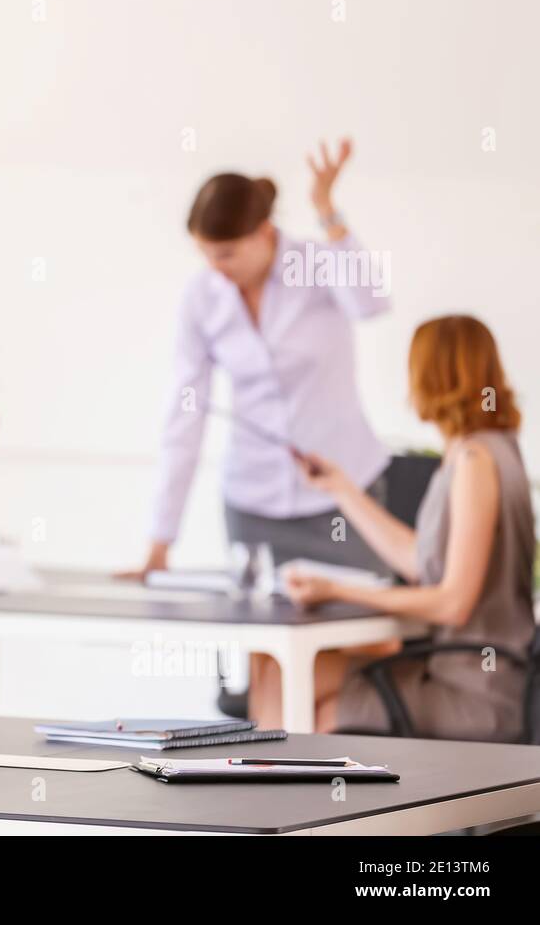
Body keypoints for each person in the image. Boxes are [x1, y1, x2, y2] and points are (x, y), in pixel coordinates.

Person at [255, 315, 535, 741]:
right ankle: (278, 794)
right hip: (455, 668)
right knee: (279, 671)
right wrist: (341, 489)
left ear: (431, 376)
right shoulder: (487, 448)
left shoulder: (475, 461)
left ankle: (278, 796)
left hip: (476, 689)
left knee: (303, 693)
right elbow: (422, 561)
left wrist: (338, 590)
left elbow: (452, 603)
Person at [121, 139, 392, 578]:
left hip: (343, 497)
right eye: (205, 255)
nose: (216, 268)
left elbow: (372, 303)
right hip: (253, 501)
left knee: (358, 637)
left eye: (226, 253)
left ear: (265, 232)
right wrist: (160, 542)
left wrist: (325, 208)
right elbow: (185, 417)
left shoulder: (316, 265)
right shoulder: (202, 298)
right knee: (264, 641)